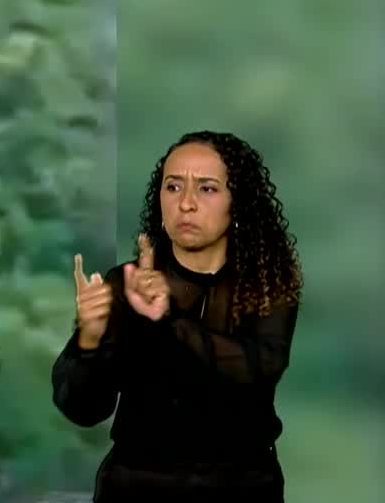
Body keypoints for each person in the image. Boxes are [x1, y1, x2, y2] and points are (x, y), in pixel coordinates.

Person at [54, 130, 303, 500]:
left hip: (242, 487)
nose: (186, 203)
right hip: (138, 485)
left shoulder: (268, 285)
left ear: (239, 202)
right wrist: (89, 340)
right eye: (173, 187)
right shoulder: (126, 283)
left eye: (206, 189)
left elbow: (254, 371)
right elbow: (84, 409)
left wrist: (169, 320)